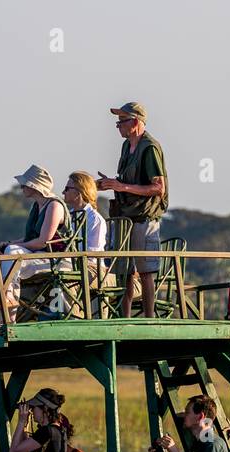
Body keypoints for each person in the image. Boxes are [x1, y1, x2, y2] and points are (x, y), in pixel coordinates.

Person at [95, 102, 167, 318]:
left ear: (135, 122)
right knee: (124, 272)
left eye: (122, 121)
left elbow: (158, 188)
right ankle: (124, 320)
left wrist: (121, 186)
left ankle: (149, 319)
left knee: (145, 273)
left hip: (144, 218)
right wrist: (108, 184)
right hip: (125, 217)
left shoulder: (150, 148)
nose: (118, 126)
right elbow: (126, 181)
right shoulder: (127, 147)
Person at [0, 165, 70, 309]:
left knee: (11, 257)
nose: (21, 188)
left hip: (57, 259)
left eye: (24, 185)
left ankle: (8, 297)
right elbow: (29, 239)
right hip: (40, 255)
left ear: (34, 186)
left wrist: (11, 247)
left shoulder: (54, 206)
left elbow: (43, 241)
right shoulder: (37, 206)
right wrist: (9, 244)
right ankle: (9, 304)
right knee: (11, 257)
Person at [9, 388, 81, 452]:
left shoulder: (47, 431)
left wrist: (21, 421)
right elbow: (23, 450)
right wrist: (24, 427)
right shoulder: (58, 430)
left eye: (34, 407)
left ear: (45, 408)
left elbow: (13, 451)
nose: (31, 411)